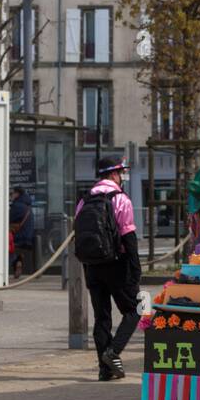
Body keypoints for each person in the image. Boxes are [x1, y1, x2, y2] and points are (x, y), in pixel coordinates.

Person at [75, 157, 141, 381]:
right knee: (134, 310)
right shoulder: (120, 199)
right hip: (117, 263)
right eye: (121, 173)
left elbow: (81, 237)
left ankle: (105, 371)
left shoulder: (84, 201)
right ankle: (112, 354)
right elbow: (128, 237)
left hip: (92, 265)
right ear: (114, 174)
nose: (122, 177)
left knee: (101, 317)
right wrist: (135, 270)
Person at [8, 186, 35, 279]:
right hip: (28, 237)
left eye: (12, 194)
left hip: (20, 237)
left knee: (7, 245)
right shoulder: (27, 206)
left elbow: (8, 220)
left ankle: (15, 262)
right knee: (17, 249)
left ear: (17, 194)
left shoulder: (17, 206)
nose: (10, 196)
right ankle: (18, 261)